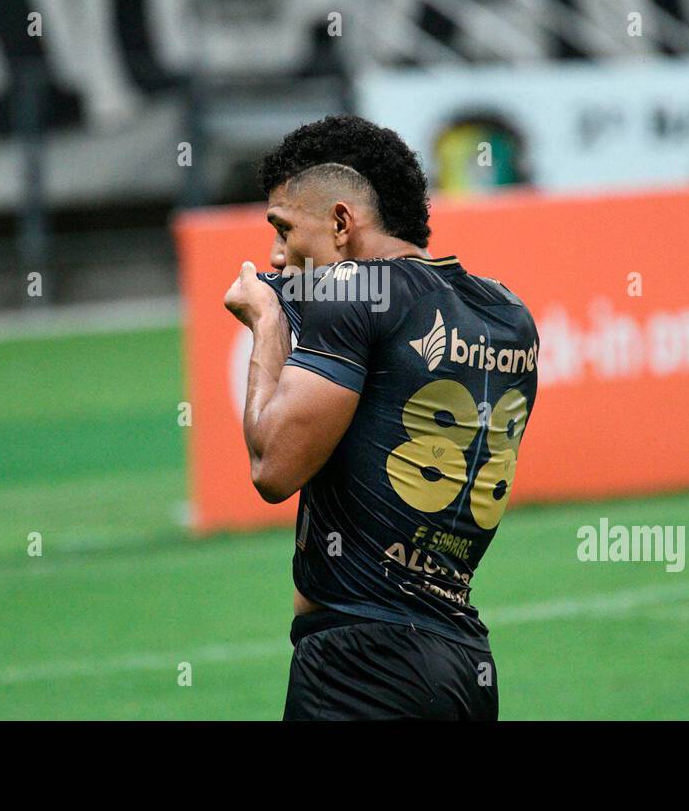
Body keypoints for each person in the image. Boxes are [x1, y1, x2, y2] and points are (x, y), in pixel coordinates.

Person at [223, 115, 539, 720]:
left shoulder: (347, 292)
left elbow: (272, 466)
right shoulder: (508, 312)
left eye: (284, 228)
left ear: (341, 222)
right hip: (462, 663)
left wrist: (267, 322)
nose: (276, 254)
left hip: (359, 665)